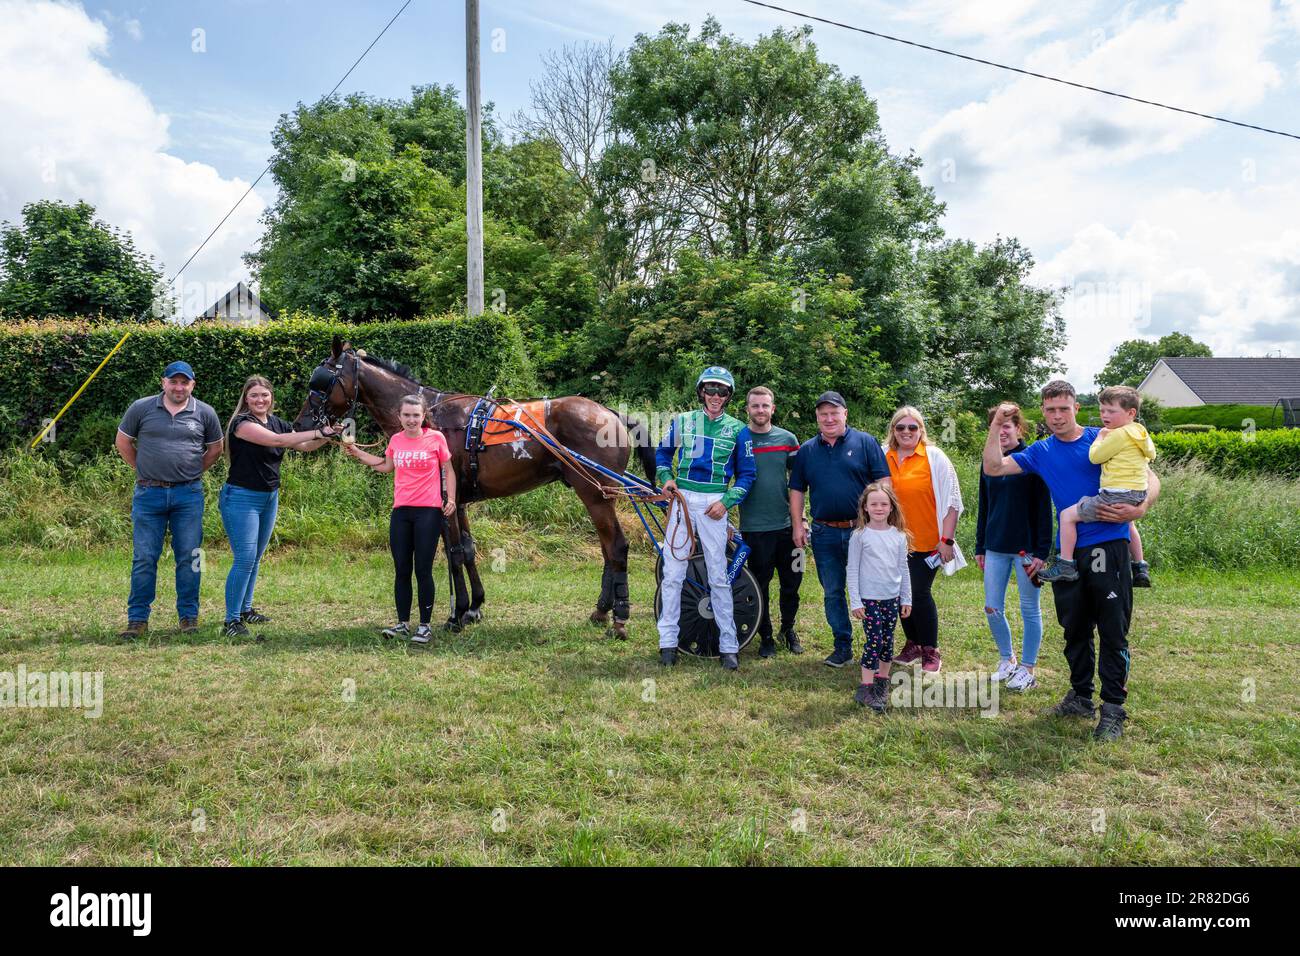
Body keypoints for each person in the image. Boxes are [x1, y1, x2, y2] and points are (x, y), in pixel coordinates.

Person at [982, 380, 1161, 742]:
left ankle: (1113, 708)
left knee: (1112, 631)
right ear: (1043, 413)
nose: (1057, 416)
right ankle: (1080, 697)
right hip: (1068, 554)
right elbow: (994, 468)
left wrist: (1141, 506)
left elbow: (1151, 476)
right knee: (1074, 629)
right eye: (1050, 410)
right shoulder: (1040, 451)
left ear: (1076, 407)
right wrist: (994, 425)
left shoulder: (1103, 436)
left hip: (1108, 545)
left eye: (1063, 408)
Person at [655, 367, 756, 670]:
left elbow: (748, 475)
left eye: (721, 391)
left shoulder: (739, 429)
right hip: (683, 499)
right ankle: (668, 643)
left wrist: (726, 503)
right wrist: (667, 478)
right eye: (710, 390)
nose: (715, 396)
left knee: (718, 576)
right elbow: (662, 454)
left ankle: (728, 646)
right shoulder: (683, 421)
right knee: (673, 573)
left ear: (729, 396)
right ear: (701, 392)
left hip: (714, 502)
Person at [114, 361, 224, 640]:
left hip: (188, 495)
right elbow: (123, 442)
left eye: (184, 382)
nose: (178, 387)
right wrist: (141, 469)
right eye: (173, 382)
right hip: (148, 494)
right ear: (163, 383)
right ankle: (137, 619)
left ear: (192, 385)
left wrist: (192, 471)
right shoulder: (141, 408)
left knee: (191, 557)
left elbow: (215, 449)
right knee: (143, 558)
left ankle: (189, 616)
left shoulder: (205, 413)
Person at [218, 376, 335, 638]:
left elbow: (303, 446)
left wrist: (330, 435)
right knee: (245, 558)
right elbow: (279, 442)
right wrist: (320, 431)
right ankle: (231, 621)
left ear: (272, 397)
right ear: (246, 399)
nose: (260, 400)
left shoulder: (276, 423)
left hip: (269, 497)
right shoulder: (241, 424)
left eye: (265, 395)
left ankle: (246, 610)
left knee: (255, 558)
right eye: (254, 396)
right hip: (241, 497)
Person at [341, 394, 456, 645]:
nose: (411, 419)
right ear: (399, 416)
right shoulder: (395, 439)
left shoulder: (435, 438)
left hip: (428, 511)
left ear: (423, 416)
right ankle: (403, 624)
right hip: (401, 512)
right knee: (401, 570)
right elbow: (385, 466)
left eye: (416, 415)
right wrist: (357, 452)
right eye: (407, 415)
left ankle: (424, 626)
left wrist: (451, 499)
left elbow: (448, 470)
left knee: (423, 569)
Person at [788, 391, 891, 669]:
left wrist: (881, 522)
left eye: (834, 412)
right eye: (823, 414)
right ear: (817, 417)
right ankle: (842, 646)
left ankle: (876, 645)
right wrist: (798, 524)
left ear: (845, 414)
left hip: (863, 531)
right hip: (825, 533)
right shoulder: (807, 450)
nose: (829, 418)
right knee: (833, 590)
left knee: (872, 589)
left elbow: (884, 482)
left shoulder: (866, 442)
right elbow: (797, 490)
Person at [1038, 385, 1155, 587]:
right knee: (1129, 523)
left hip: (1113, 497)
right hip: (1135, 493)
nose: (1105, 416)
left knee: (1067, 516)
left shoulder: (1113, 435)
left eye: (1111, 411)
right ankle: (1140, 565)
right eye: (1102, 411)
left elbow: (1095, 457)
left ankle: (1065, 565)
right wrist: (1140, 504)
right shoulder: (1141, 433)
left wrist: (1100, 438)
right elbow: (1150, 456)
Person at [975, 402, 1052, 692]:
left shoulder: (1032, 460)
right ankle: (1007, 660)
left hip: (1027, 550)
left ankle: (1028, 668)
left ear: (1019, 428)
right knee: (992, 607)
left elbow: (1045, 510)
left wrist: (1042, 553)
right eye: (997, 426)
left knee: (1029, 608)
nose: (1002, 432)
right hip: (995, 546)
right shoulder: (989, 461)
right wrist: (980, 545)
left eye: (1007, 426)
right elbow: (985, 506)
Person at [883, 406, 965, 675]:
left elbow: (953, 502)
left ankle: (931, 650)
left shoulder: (934, 457)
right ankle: (913, 644)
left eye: (912, 427)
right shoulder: (884, 456)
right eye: (901, 427)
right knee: (898, 595)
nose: (906, 432)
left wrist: (947, 540)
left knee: (918, 593)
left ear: (921, 430)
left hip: (928, 542)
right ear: (893, 430)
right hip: (893, 542)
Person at [738, 386, 803, 658]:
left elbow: (799, 484)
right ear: (747, 410)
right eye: (755, 406)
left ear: (773, 409)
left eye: (765, 406)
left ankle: (787, 629)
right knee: (759, 584)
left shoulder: (788, 439)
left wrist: (801, 520)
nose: (760, 410)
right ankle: (765, 635)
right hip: (754, 528)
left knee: (792, 583)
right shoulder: (740, 439)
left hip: (787, 527)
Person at [846, 483, 912, 714]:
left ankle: (882, 681)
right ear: (865, 507)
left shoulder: (899, 536)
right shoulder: (860, 536)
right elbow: (852, 569)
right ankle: (866, 686)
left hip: (891, 598)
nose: (879, 508)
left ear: (891, 507)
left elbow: (904, 569)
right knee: (874, 640)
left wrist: (906, 599)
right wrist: (855, 601)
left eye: (884, 504)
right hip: (869, 599)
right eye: (873, 503)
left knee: (887, 641)